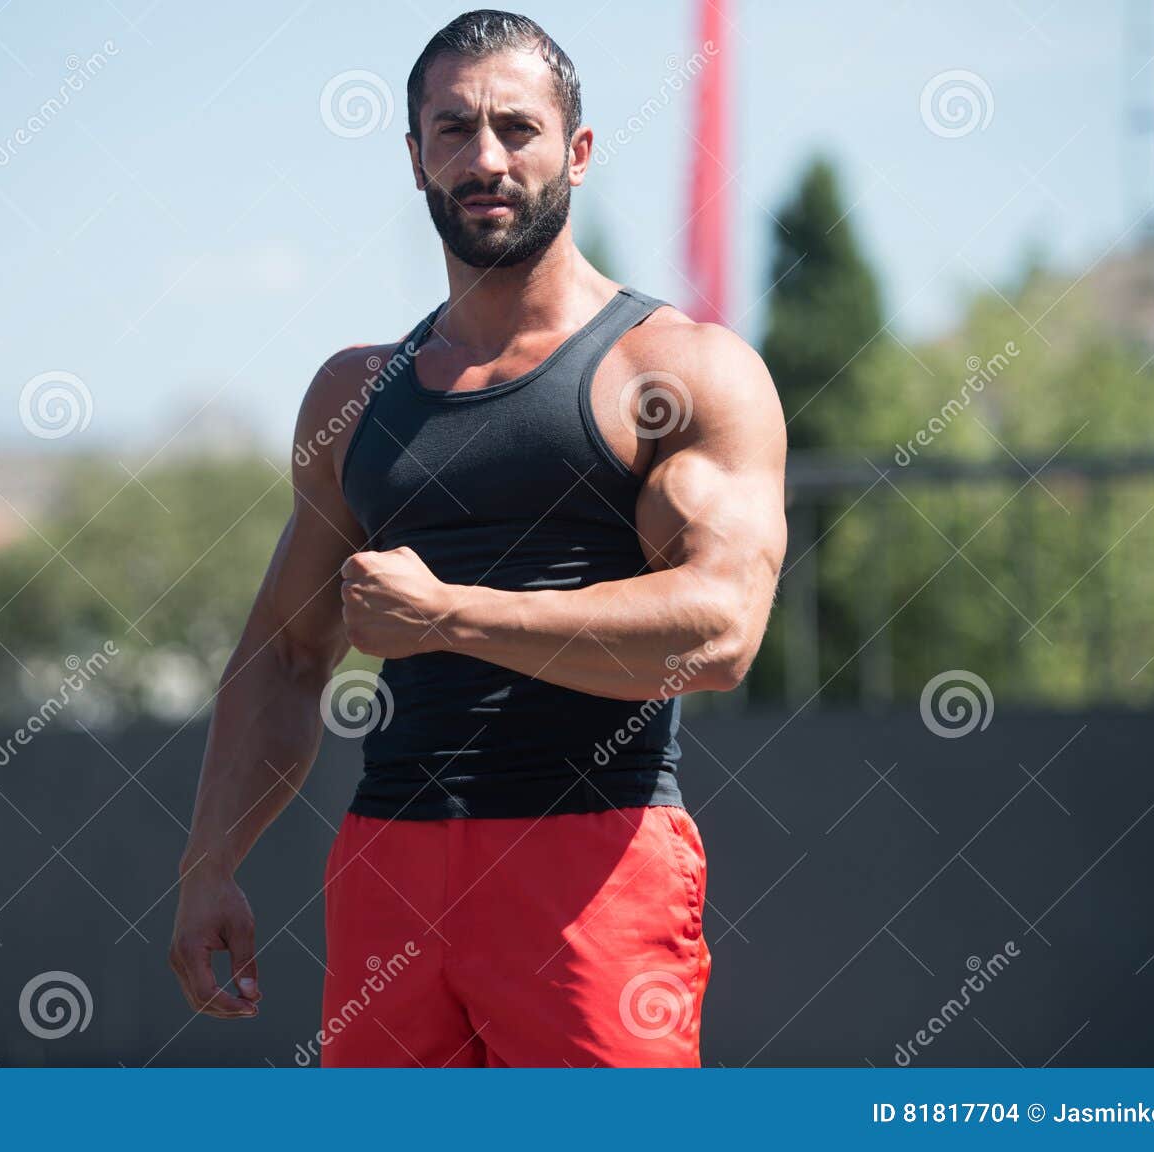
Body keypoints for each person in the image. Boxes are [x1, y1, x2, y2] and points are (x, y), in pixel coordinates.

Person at [169, 8, 786, 1067]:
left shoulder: (675, 372)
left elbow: (719, 631)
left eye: (516, 127)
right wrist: (210, 864)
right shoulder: (355, 393)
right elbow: (285, 652)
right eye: (452, 131)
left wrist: (451, 615)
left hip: (591, 859)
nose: (485, 157)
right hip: (389, 863)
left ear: (578, 152)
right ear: (414, 159)